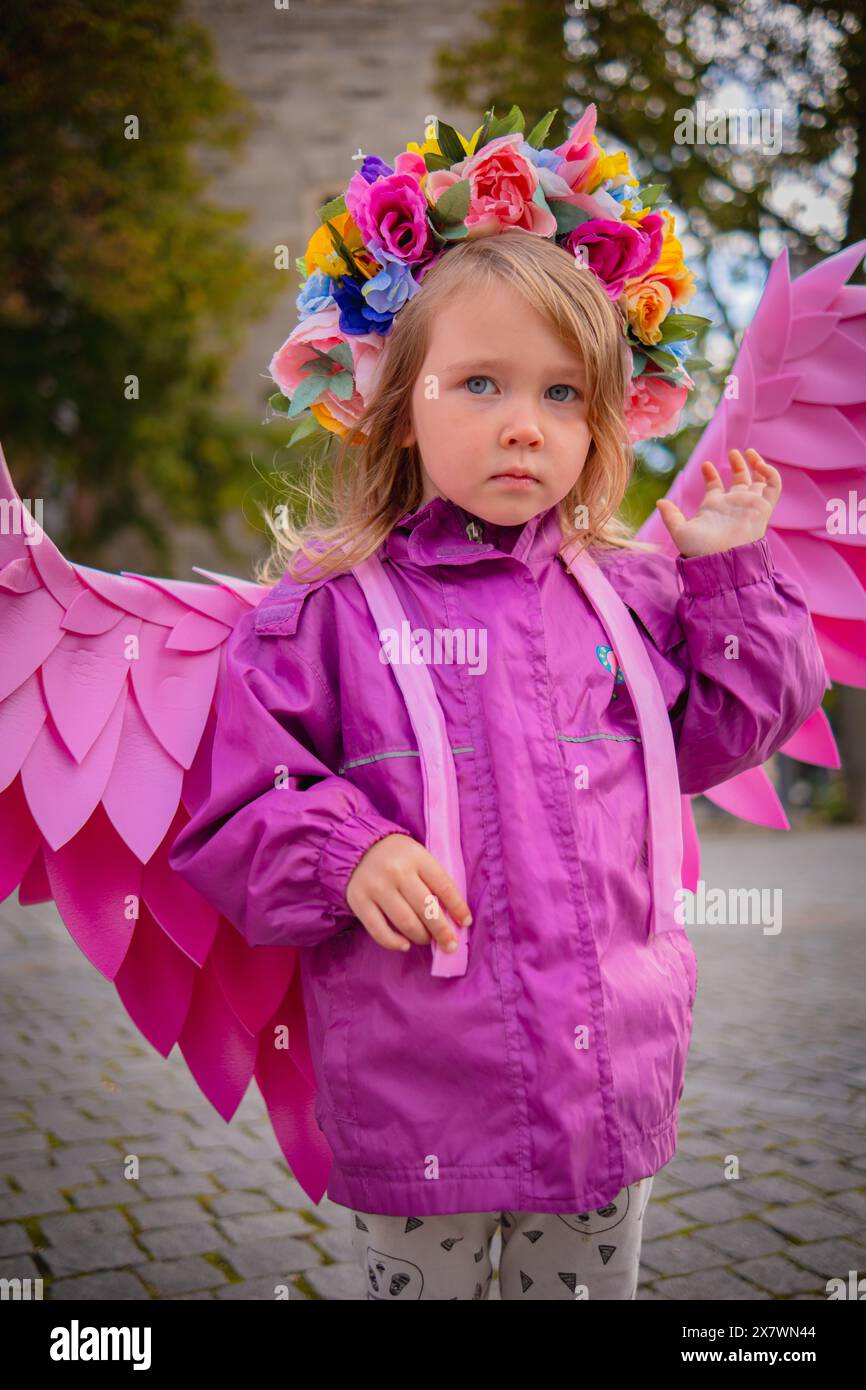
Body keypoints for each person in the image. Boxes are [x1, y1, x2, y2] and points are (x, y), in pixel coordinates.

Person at [168, 144, 829, 1300]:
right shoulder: (317, 619)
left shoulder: (631, 594)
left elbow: (726, 735)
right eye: (479, 383)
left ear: (600, 420)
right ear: (393, 407)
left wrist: (724, 577)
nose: (523, 423)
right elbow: (237, 811)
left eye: (560, 391)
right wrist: (347, 848)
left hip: (608, 1082)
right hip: (419, 1090)